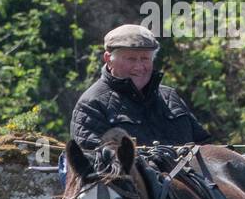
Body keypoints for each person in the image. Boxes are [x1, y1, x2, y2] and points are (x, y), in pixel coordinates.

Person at [69, 23, 211, 151]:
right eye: (131, 59)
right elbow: (96, 166)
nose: (139, 67)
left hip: (190, 178)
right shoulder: (92, 104)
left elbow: (204, 146)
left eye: (145, 59)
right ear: (108, 59)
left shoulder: (169, 97)